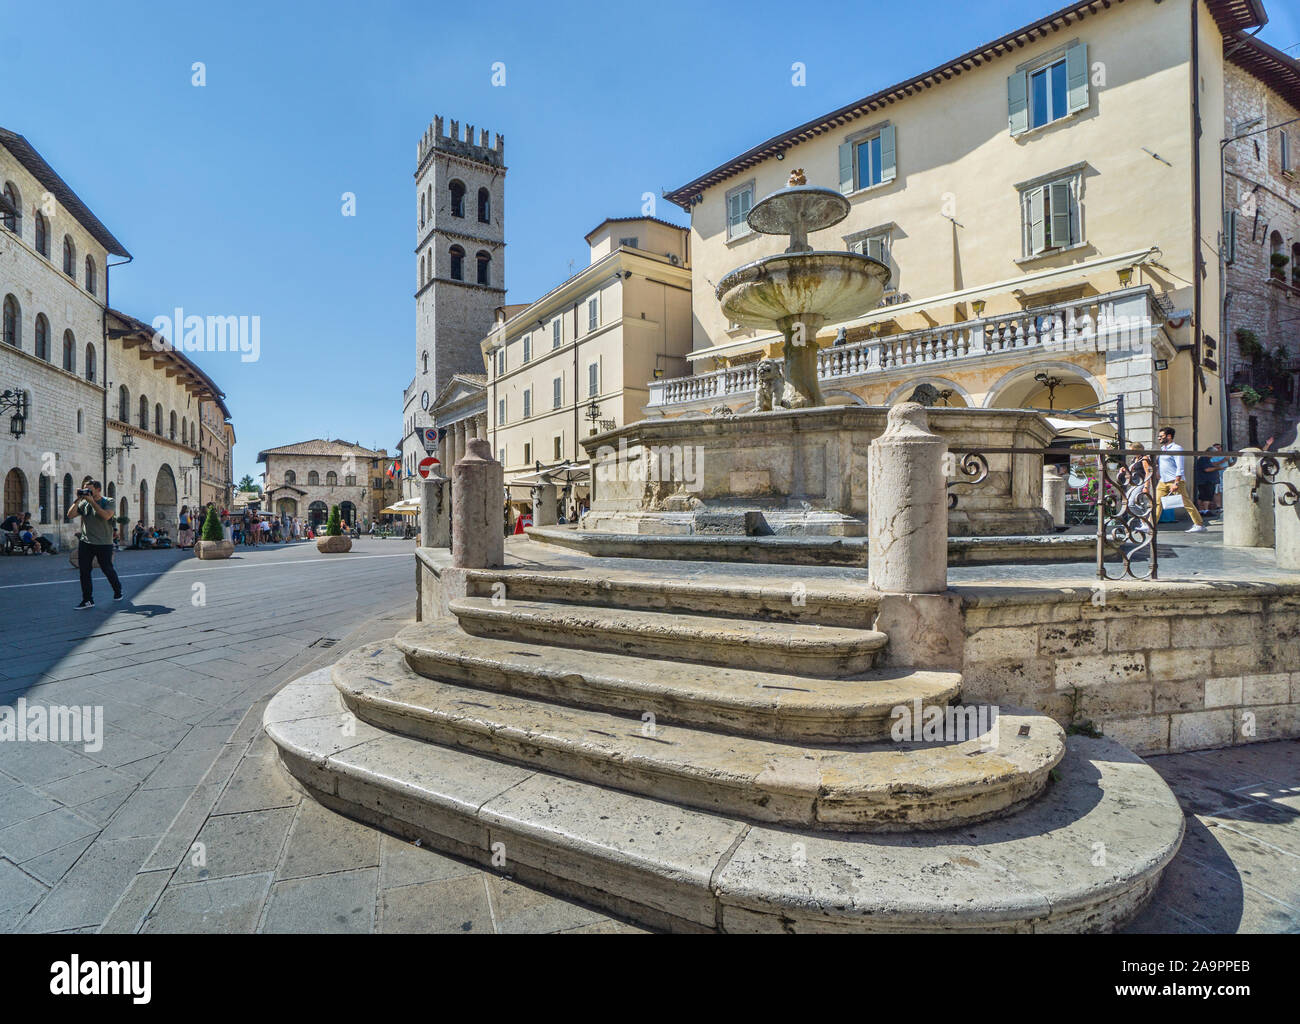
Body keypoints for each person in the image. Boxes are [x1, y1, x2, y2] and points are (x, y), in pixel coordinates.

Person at [67, 480, 122, 608]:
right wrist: (77, 500)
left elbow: (106, 516)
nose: (87, 492)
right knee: (84, 571)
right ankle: (87, 600)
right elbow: (70, 515)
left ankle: (118, 590)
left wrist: (91, 501)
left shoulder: (108, 501)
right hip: (86, 542)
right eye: (85, 489)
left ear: (98, 489)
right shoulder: (84, 503)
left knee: (107, 569)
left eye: (89, 489)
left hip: (103, 543)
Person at [1155, 426, 1205, 532]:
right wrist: (1158, 473)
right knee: (1157, 503)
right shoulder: (1162, 449)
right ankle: (1151, 524)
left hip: (1175, 480)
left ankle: (1199, 524)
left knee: (1186, 502)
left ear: (1169, 436)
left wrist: (1176, 482)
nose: (1159, 438)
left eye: (1161, 436)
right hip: (1163, 481)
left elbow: (1180, 467)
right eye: (1158, 436)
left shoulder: (1176, 448)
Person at [1196, 444, 1228, 517]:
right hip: (1206, 481)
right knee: (1206, 496)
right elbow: (1207, 469)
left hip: (1205, 480)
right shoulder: (1204, 459)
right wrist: (1218, 468)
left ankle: (1202, 510)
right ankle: (1205, 510)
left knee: (1202, 496)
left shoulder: (1206, 459)